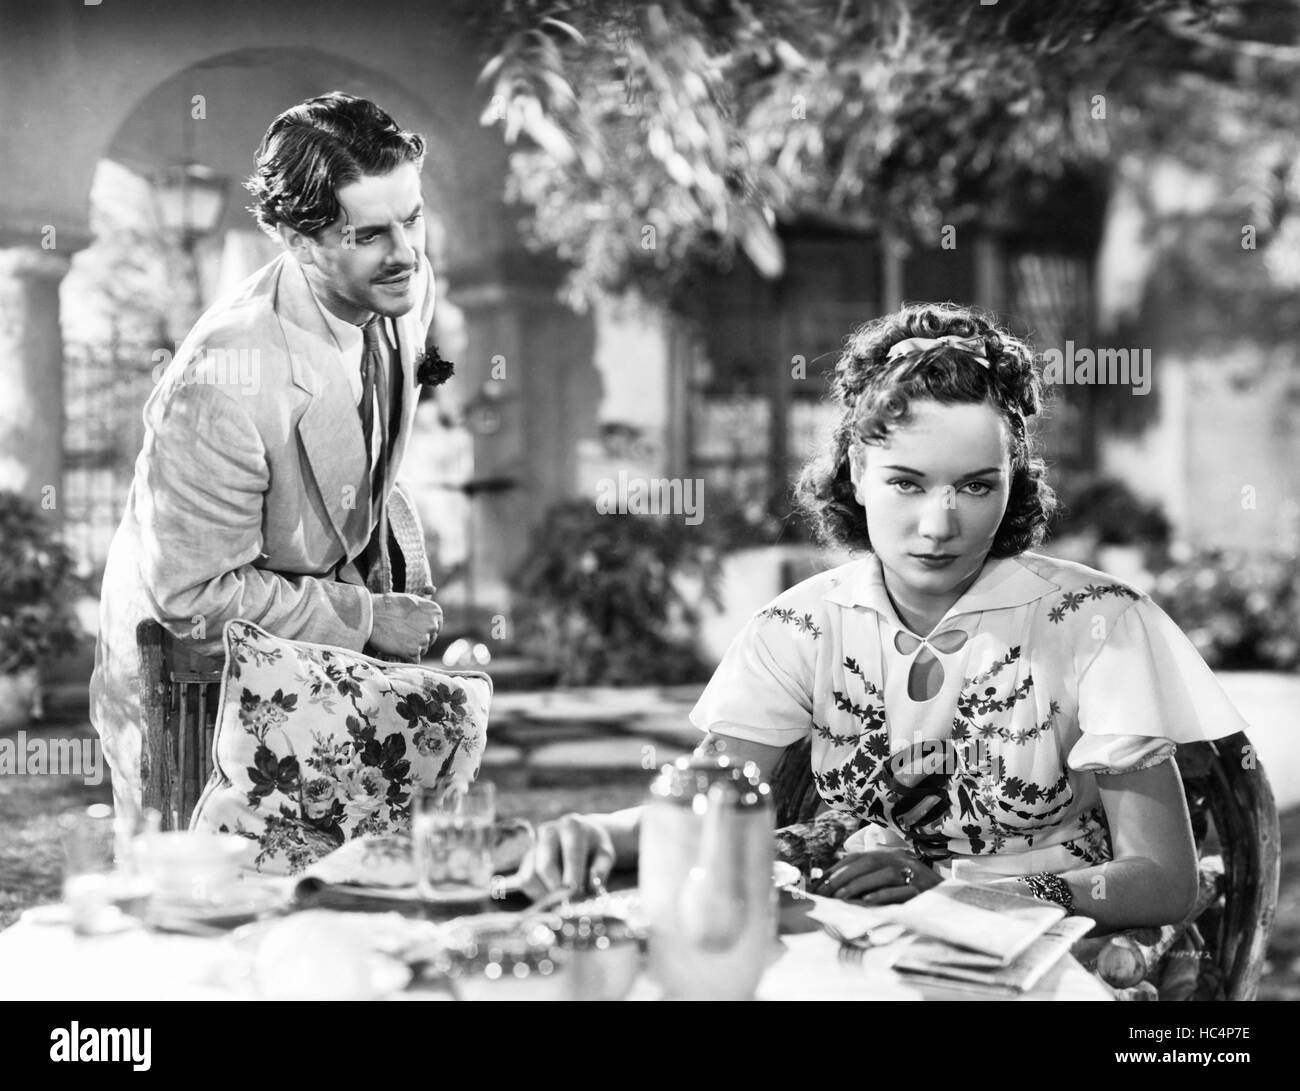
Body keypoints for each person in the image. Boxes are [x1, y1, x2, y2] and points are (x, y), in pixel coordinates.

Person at [529, 302, 1250, 931]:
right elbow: (708, 799)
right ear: (855, 474)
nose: (939, 525)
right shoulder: (799, 627)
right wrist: (596, 831)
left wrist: (964, 894)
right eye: (906, 482)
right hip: (858, 942)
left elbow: (1161, 878)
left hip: (1056, 947)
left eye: (976, 485)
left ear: (1015, 481)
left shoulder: (1098, 621)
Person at [90, 93, 444, 816]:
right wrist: (367, 617)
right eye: (369, 233)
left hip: (314, 669)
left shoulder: (406, 285)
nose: (405, 253)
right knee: (207, 908)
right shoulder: (222, 382)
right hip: (193, 693)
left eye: (411, 219)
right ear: (296, 237)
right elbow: (190, 604)